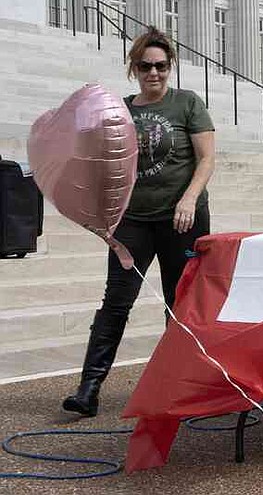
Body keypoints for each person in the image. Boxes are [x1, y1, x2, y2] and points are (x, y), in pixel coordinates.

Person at [62, 27, 215, 416]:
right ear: (134, 67)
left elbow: (207, 159)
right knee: (116, 300)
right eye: (146, 66)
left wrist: (189, 198)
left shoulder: (188, 104)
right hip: (133, 220)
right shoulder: (121, 110)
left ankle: (176, 387)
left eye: (161, 66)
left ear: (170, 67)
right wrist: (102, 217)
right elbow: (102, 165)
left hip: (182, 218)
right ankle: (88, 389)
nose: (154, 73)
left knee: (179, 303)